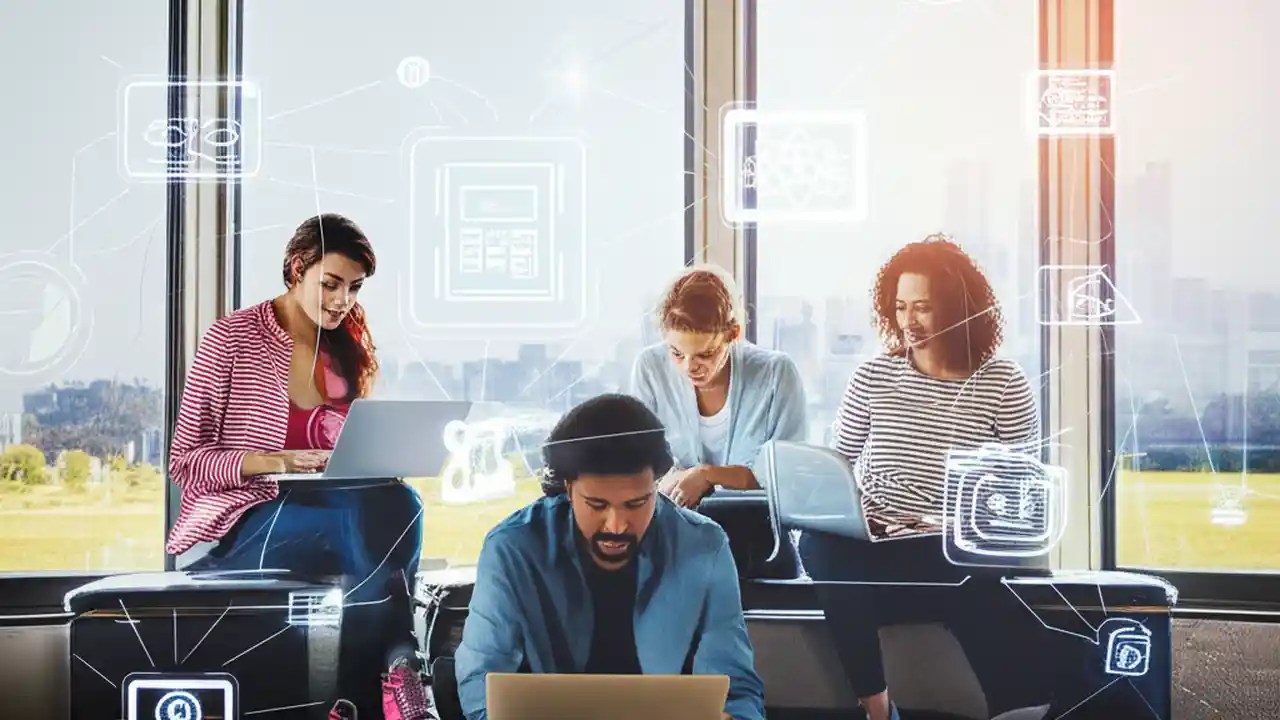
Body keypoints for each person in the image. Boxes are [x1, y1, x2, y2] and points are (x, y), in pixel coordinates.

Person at [163, 214, 430, 720]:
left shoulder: (348, 344)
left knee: (405, 503)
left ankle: (368, 688)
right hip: (240, 524)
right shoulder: (232, 337)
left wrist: (375, 460)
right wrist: (274, 461)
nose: (342, 300)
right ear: (295, 269)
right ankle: (390, 671)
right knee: (352, 522)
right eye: (330, 284)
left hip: (330, 507)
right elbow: (185, 461)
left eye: (354, 287)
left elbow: (348, 447)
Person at [798, 234, 1041, 720]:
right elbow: (835, 466)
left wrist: (971, 520)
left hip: (951, 548)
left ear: (957, 309)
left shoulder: (1003, 382)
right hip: (875, 545)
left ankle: (1017, 707)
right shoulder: (873, 376)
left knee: (978, 584)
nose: (908, 320)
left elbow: (1025, 492)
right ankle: (877, 707)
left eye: (923, 307)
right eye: (900, 306)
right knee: (818, 544)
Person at [453, 393, 766, 720]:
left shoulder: (704, 547)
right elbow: (481, 679)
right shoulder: (512, 548)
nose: (616, 525)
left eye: (636, 503)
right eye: (597, 505)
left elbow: (735, 688)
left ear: (656, 484)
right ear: (567, 487)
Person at [631, 264, 807, 577]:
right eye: (677, 353)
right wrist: (676, 482)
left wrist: (708, 475)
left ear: (733, 335)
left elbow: (788, 478)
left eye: (705, 354)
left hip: (756, 540)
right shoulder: (649, 368)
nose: (689, 367)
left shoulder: (776, 374)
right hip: (674, 534)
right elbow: (640, 462)